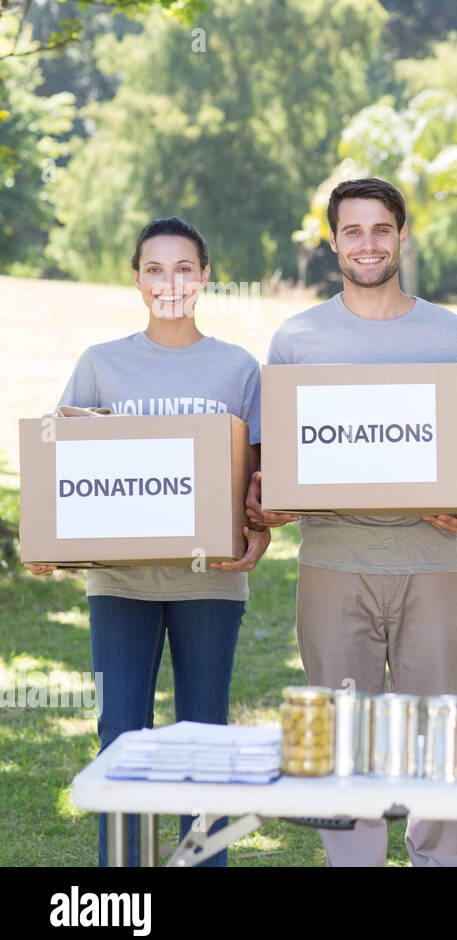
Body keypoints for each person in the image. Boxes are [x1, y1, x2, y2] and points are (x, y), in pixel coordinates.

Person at [246, 178, 457, 867]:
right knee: (340, 733)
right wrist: (270, 501)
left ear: (403, 235)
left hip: (433, 560)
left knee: (440, 737)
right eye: (352, 231)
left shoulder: (452, 335)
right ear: (333, 241)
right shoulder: (298, 339)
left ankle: (445, 860)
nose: (368, 244)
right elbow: (276, 466)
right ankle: (354, 861)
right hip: (333, 560)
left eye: (381, 229)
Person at [27, 217, 268, 866]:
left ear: (207, 276)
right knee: (120, 735)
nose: (170, 282)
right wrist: (48, 539)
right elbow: (61, 463)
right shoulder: (100, 365)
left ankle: (204, 863)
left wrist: (260, 535)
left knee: (206, 738)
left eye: (184, 268)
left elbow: (260, 483)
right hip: (120, 583)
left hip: (211, 583)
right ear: (135, 278)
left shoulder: (239, 368)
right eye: (155, 269)